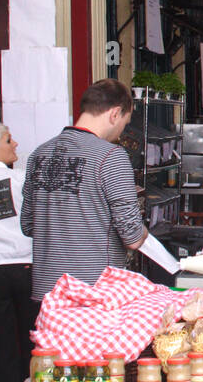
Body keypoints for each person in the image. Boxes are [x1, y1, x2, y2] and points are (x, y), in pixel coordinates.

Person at [20, 79, 148, 301]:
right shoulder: (111, 157)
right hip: (92, 293)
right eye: (125, 124)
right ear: (115, 114)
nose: (120, 133)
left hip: (46, 292)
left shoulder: (38, 154)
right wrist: (144, 232)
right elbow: (133, 238)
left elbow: (28, 224)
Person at [0, 123, 36, 382]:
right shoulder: (22, 180)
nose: (14, 144)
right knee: (32, 335)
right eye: (8, 140)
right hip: (26, 266)